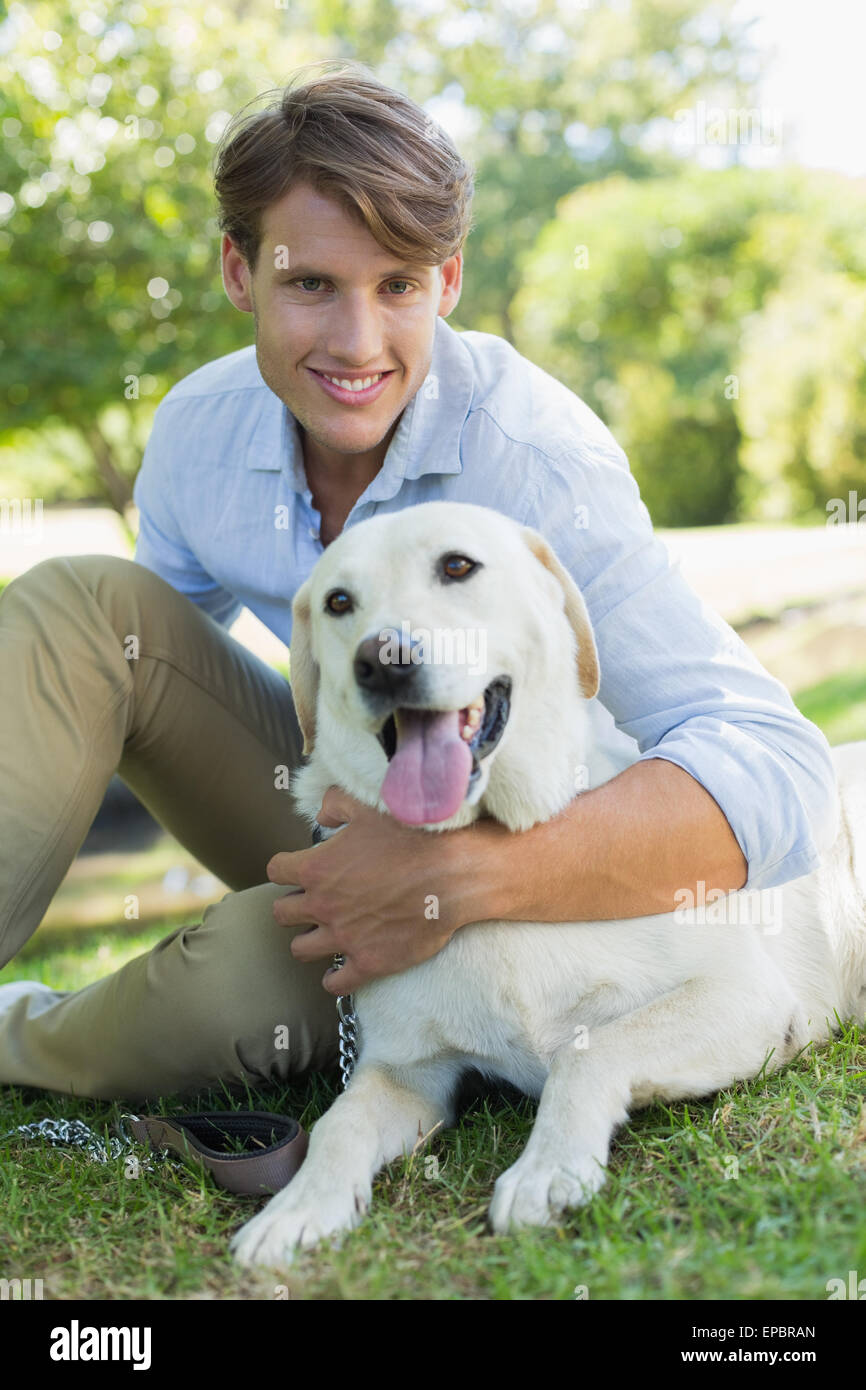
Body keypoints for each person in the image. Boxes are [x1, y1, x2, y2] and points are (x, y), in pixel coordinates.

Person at [0, 63, 838, 1104]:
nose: (356, 344)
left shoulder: (535, 456)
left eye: (396, 286)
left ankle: (20, 1041)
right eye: (310, 284)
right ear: (237, 269)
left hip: (528, 840)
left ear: (444, 283)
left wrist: (460, 879)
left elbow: (778, 768)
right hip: (343, 796)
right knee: (80, 609)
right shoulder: (193, 433)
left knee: (240, 987)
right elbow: (141, 676)